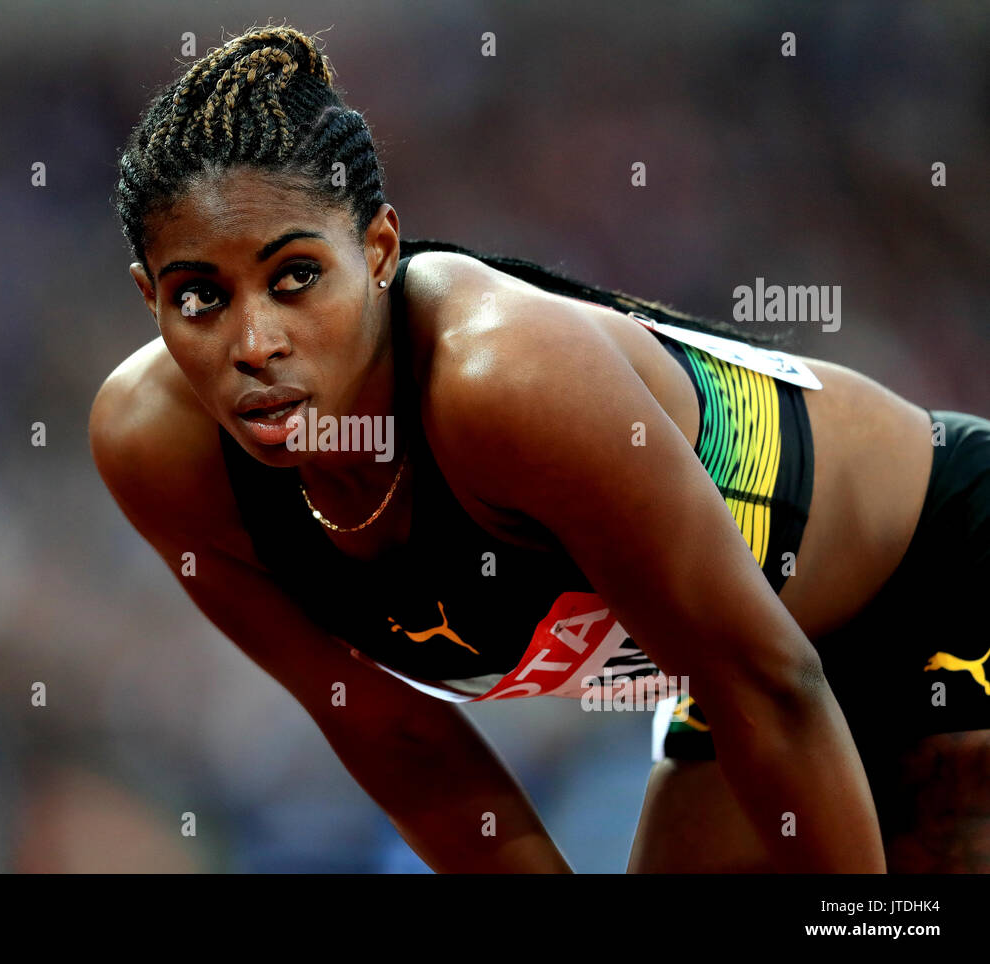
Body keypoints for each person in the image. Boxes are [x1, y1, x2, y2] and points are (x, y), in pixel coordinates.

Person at [91, 24, 990, 872]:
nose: (254, 343)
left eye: (296, 278)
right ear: (150, 299)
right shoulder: (157, 451)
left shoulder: (498, 379)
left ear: (378, 249)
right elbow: (401, 742)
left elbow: (770, 680)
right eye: (200, 297)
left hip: (942, 567)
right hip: (755, 678)